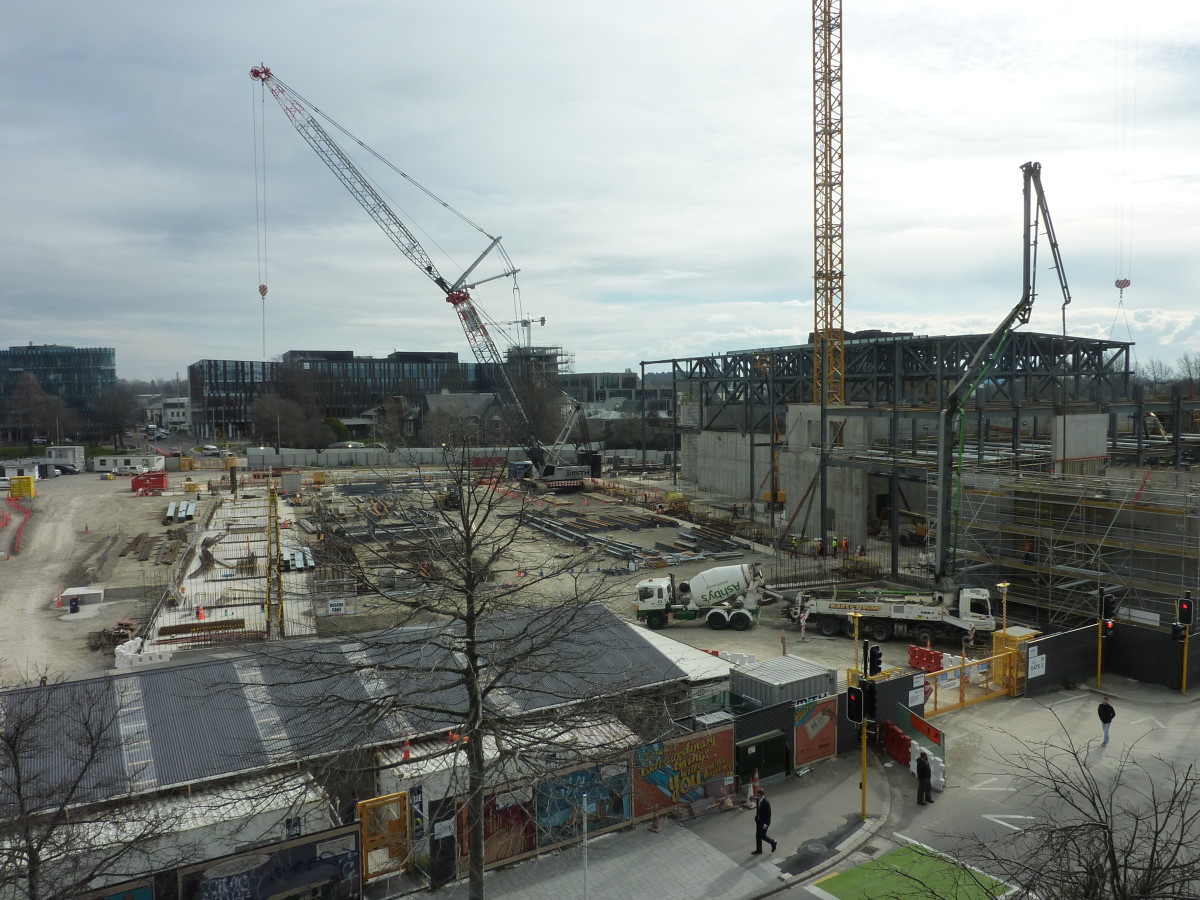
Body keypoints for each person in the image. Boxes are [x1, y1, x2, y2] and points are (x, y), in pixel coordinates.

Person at [751, 788, 777, 854]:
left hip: (765, 823)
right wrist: (756, 818)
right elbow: (758, 810)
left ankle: (773, 842)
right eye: (756, 795)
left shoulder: (766, 803)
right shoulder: (758, 800)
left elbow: (768, 815)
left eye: (758, 795)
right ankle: (759, 850)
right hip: (759, 821)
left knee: (763, 836)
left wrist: (766, 824)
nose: (756, 796)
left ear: (762, 795)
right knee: (758, 836)